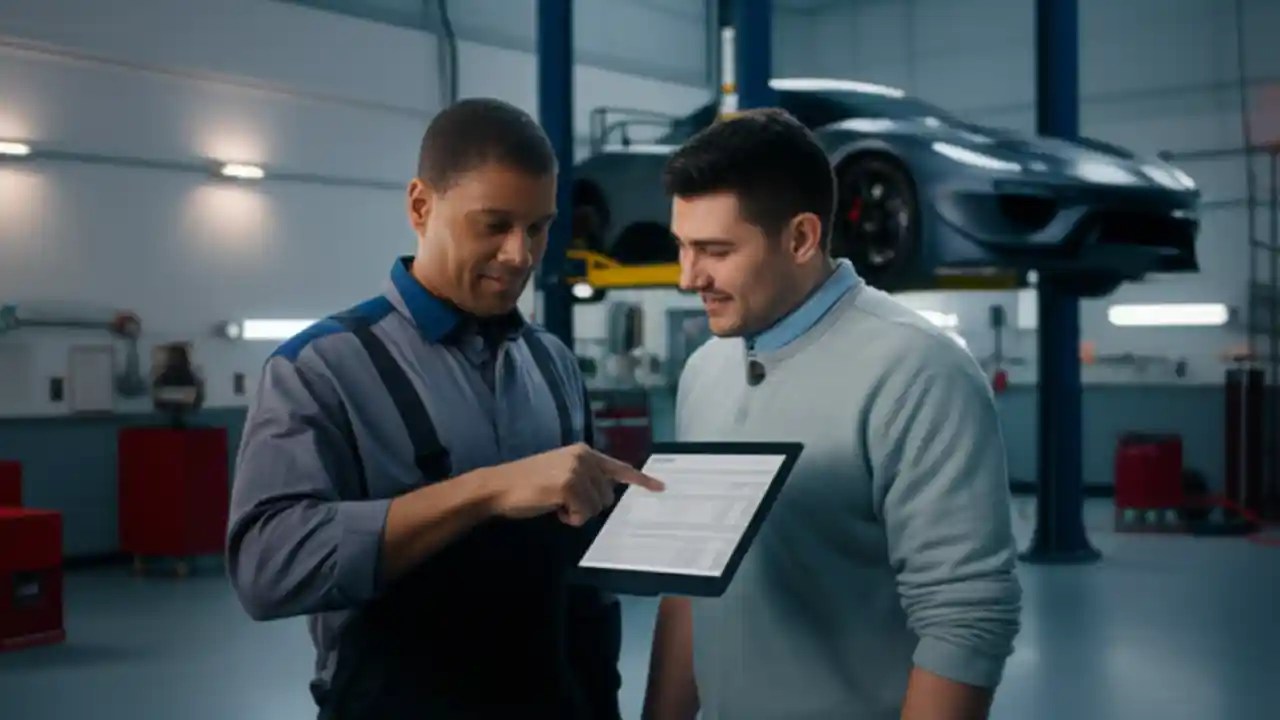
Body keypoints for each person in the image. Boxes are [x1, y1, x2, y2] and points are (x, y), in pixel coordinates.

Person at [226, 97, 664, 720]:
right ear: (420, 206)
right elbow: (268, 569)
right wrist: (485, 492)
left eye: (538, 227)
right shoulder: (321, 369)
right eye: (494, 224)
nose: (520, 254)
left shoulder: (555, 365)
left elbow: (583, 587)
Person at [642, 108, 1022, 720]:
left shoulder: (916, 369)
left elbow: (966, 620)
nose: (689, 278)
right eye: (682, 247)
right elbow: (689, 583)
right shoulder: (705, 371)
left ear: (801, 238)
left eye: (715, 250)